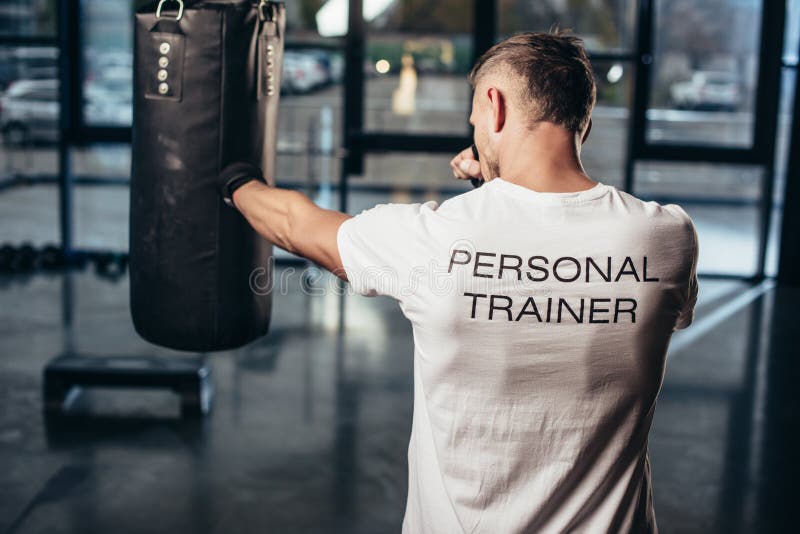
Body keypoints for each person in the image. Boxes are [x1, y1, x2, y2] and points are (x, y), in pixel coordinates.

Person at [220, 30, 698, 534]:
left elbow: (296, 225)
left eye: (475, 121)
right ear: (584, 121)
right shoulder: (665, 237)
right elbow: (560, 257)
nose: (475, 133)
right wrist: (495, 186)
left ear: (494, 107)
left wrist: (235, 181)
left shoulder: (436, 239)